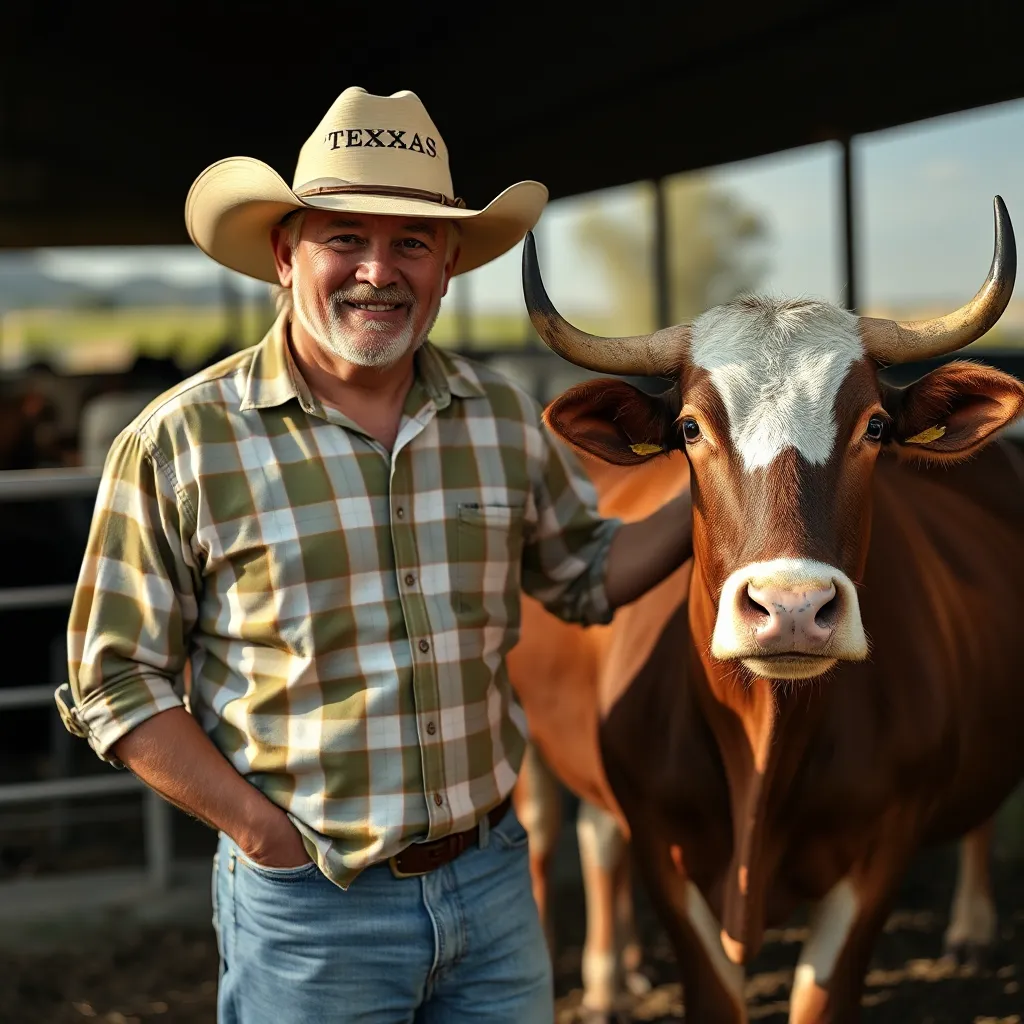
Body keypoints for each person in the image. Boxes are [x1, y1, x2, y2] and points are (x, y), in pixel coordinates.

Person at [55, 87, 693, 1024]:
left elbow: (585, 573)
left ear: (448, 267)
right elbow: (114, 679)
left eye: (411, 243)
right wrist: (259, 833)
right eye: (343, 238)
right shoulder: (180, 442)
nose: (376, 271)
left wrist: (721, 490)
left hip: (493, 888)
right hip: (312, 903)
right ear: (285, 255)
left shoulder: (502, 417)